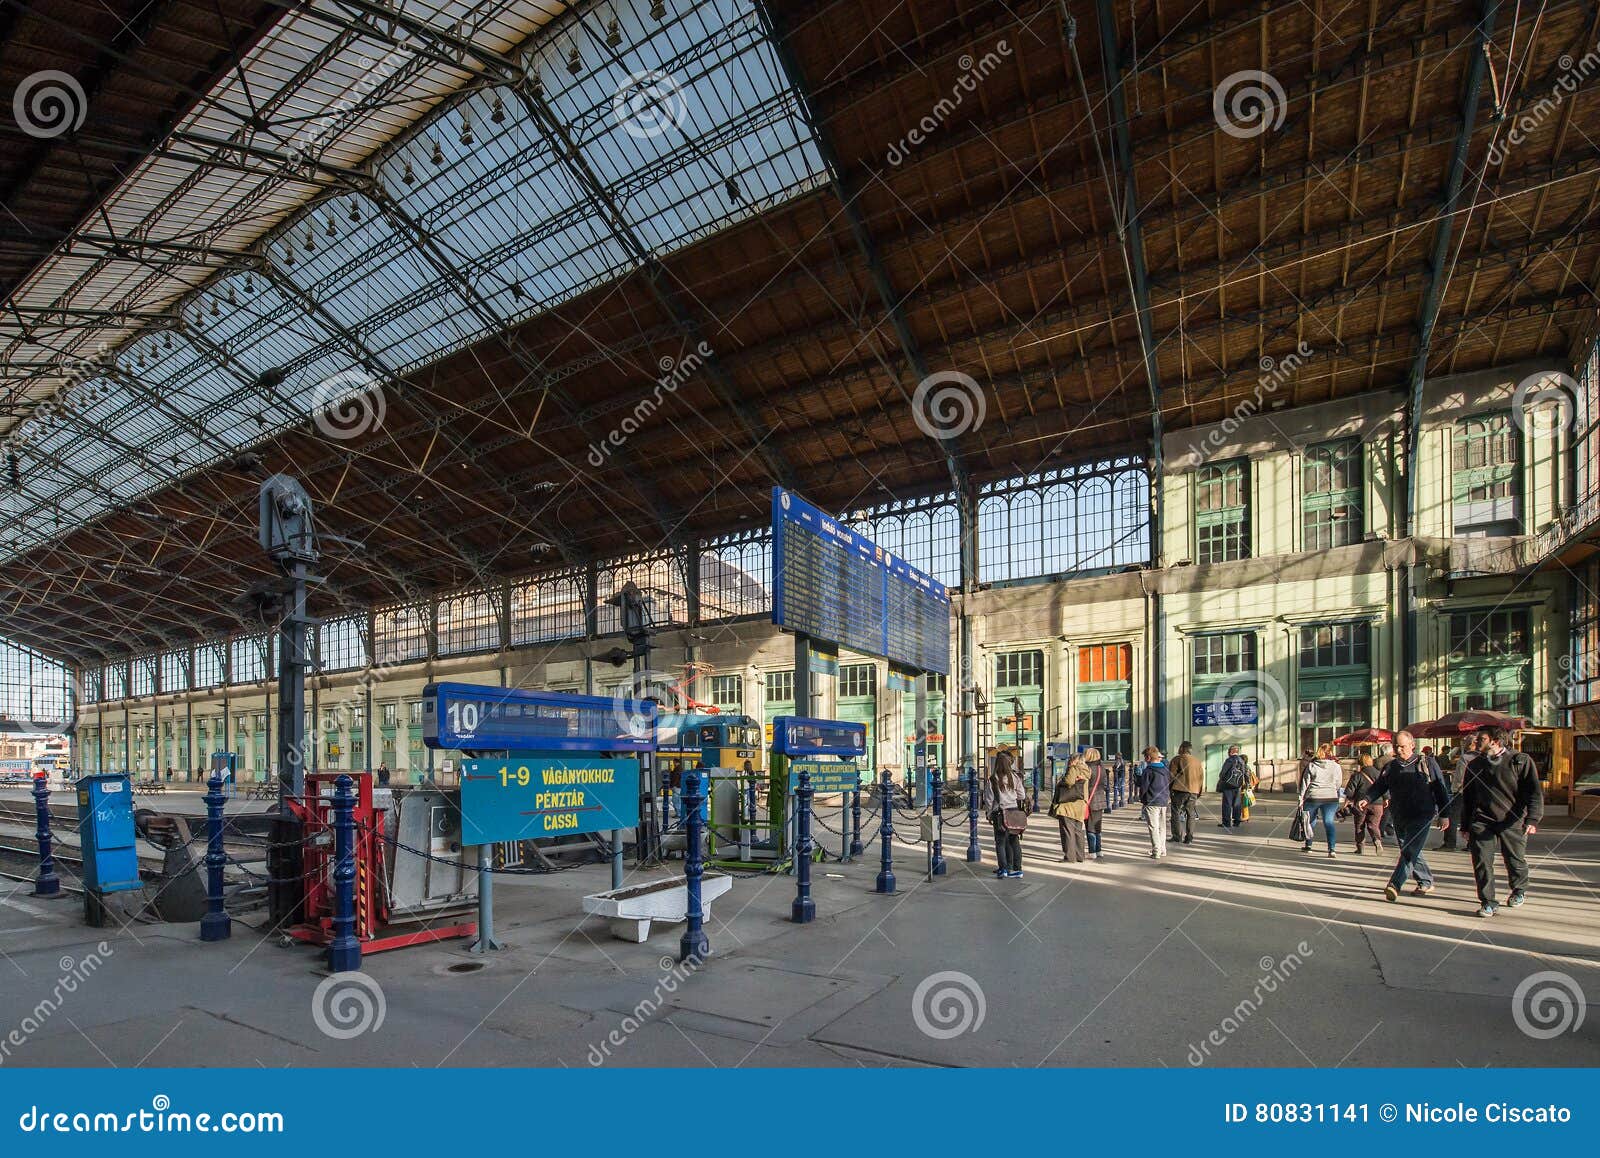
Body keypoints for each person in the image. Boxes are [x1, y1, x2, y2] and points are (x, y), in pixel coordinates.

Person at [1461, 725, 1543, 917]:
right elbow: (1468, 798)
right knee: (1481, 861)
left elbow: (1534, 792)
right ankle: (1488, 901)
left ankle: (1519, 889)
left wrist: (1533, 819)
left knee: (1514, 859)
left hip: (1512, 820)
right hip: (1482, 821)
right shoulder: (1475, 765)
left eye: (1481, 739)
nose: (1477, 742)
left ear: (1495, 741)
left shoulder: (1519, 761)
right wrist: (1465, 825)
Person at [1365, 730, 1449, 901]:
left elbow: (1440, 789)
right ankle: (1426, 881)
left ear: (1412, 745)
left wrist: (1444, 814)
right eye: (1396, 746)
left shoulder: (1427, 763)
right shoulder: (1391, 766)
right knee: (1409, 849)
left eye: (1402, 746)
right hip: (1399, 815)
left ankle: (1395, 884)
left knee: (1410, 850)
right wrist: (1366, 798)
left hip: (1422, 814)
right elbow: (1380, 786)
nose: (1399, 749)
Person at [985, 748, 1029, 879]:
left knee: (1000, 842)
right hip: (1014, 812)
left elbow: (989, 800)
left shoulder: (993, 779)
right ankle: (1017, 869)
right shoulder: (1015, 777)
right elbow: (1021, 795)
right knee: (1014, 841)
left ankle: (1003, 868)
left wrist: (988, 813)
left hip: (1000, 813)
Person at [1299, 742, 1344, 856]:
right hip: (1330, 797)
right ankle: (1331, 849)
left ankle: (1308, 845)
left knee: (1310, 821)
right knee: (1329, 822)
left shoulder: (1312, 765)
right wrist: (1333, 789)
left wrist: (1301, 798)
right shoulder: (1336, 766)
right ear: (1331, 753)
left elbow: (1305, 783)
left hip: (1313, 797)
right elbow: (1339, 783)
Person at [1050, 753, 1090, 863]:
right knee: (1078, 831)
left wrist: (1060, 783)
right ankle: (1079, 856)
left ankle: (1069, 856)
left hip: (1068, 805)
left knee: (1067, 831)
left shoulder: (1074, 768)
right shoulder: (1086, 769)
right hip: (1080, 804)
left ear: (1073, 760)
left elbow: (1069, 781)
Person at [1437, 736, 1474, 850]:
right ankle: (1472, 844)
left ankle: (1449, 843)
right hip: (1477, 793)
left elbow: (1460, 776)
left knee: (1452, 816)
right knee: (1473, 817)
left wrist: (1456, 788)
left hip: (1462, 791)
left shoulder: (1466, 757)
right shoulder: (1485, 757)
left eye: (1465, 743)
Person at [1345, 753, 1384, 854]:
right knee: (1374, 825)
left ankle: (1360, 847)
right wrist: (1386, 798)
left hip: (1361, 804)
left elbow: (1350, 791)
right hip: (1377, 803)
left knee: (1359, 825)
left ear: (1360, 762)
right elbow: (1384, 786)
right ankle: (1377, 840)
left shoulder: (1357, 775)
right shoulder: (1379, 773)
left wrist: (1348, 800)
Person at [1138, 745, 1171, 858]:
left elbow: (1144, 787)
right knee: (1162, 827)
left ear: (1148, 758)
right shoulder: (1165, 769)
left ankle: (1156, 850)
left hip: (1152, 801)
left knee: (1153, 827)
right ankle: (1162, 849)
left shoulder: (1148, 771)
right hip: (1164, 800)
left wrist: (1143, 799)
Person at [1169, 740, 1204, 844]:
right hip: (1194, 790)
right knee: (1191, 814)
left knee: (1175, 812)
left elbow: (1171, 776)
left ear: (1182, 748)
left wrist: (1170, 789)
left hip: (1179, 790)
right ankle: (1189, 837)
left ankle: (1177, 836)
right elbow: (1201, 778)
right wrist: (1199, 792)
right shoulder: (1197, 762)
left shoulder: (1177, 759)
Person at [1216, 744, 1249, 829]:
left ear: (1231, 752)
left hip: (1228, 785)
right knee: (1237, 804)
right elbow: (1246, 773)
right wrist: (1247, 784)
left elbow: (1223, 773)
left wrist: (1221, 780)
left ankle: (1226, 822)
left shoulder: (1229, 760)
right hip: (1238, 785)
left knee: (1227, 804)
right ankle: (1236, 821)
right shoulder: (1241, 761)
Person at [1085, 747, 1108, 860]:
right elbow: (1104, 784)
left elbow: (1085, 786)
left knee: (1090, 827)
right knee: (1098, 826)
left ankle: (1092, 851)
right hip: (1100, 799)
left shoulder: (1088, 768)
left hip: (1090, 799)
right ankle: (1099, 850)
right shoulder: (1101, 768)